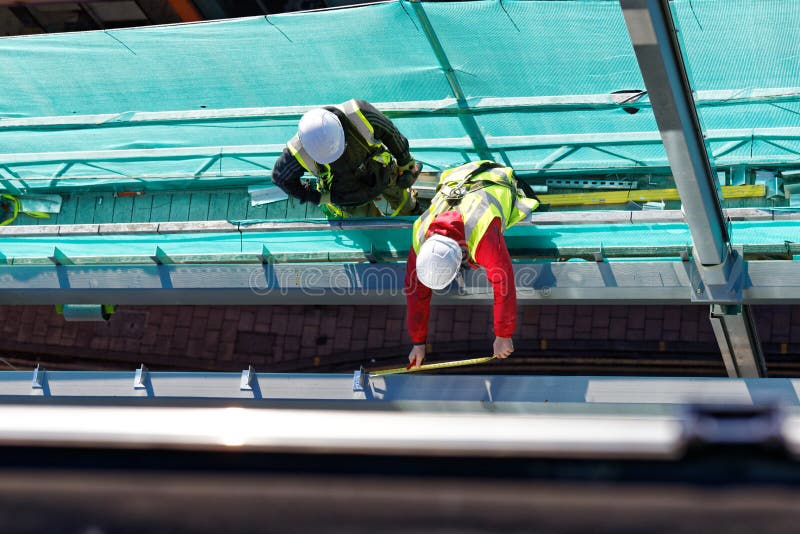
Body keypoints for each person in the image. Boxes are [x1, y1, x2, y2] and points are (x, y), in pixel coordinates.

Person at [404, 160, 540, 368]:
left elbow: (504, 285)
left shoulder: (483, 238)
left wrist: (503, 335)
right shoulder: (421, 238)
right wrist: (418, 342)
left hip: (497, 177)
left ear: (461, 258)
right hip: (461, 175)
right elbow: (416, 292)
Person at [271, 99, 422, 217]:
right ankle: (377, 239)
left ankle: (413, 213)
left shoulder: (360, 115)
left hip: (382, 173)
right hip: (347, 197)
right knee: (371, 231)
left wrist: (405, 164)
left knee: (405, 202)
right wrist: (317, 197)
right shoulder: (299, 151)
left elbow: (391, 133)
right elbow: (280, 178)